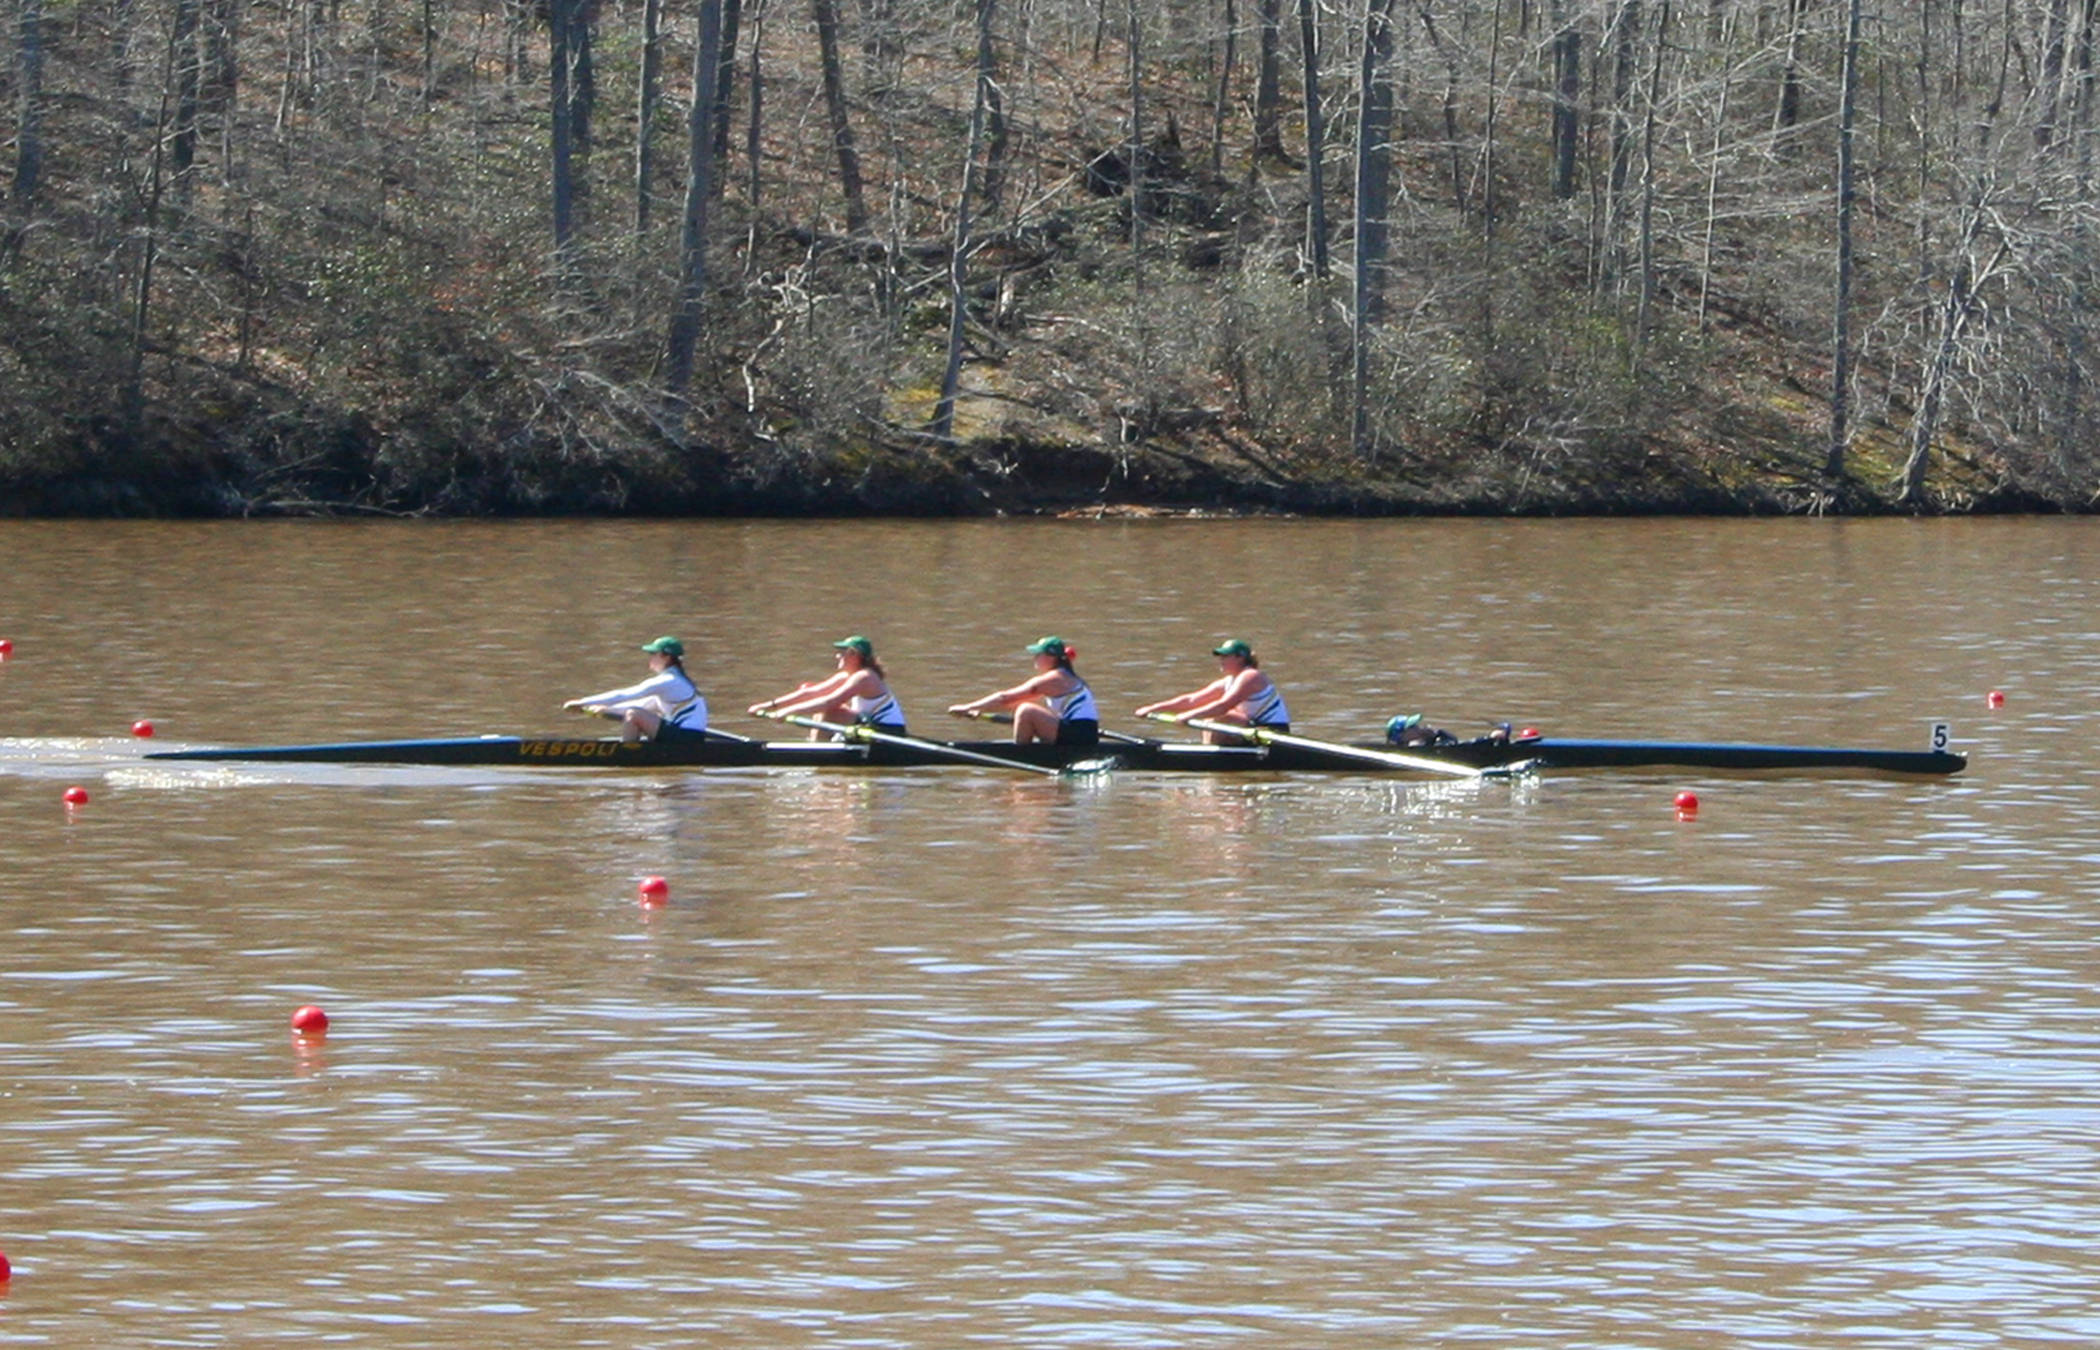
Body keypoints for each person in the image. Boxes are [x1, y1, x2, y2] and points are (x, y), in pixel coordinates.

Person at [946, 636, 1100, 746]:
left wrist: (967, 707)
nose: (1034, 657)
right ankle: (1028, 749)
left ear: (1051, 657)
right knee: (1023, 709)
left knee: (1026, 710)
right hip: (1082, 734)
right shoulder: (1065, 676)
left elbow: (1005, 698)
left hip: (1079, 738)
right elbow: (1009, 705)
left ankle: (1021, 753)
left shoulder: (1055, 679)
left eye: (1038, 654)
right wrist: (979, 712)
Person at [1134, 638, 1290, 744]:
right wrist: (1153, 708)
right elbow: (1191, 700)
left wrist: (1189, 715)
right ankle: (1209, 750)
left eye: (1225, 656)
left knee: (1218, 716)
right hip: (1254, 730)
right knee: (1211, 715)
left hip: (1273, 734)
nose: (1221, 660)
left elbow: (1223, 706)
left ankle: (1208, 755)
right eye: (1220, 656)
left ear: (1240, 658)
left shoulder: (1251, 676)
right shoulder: (1229, 680)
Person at [748, 635, 908, 738]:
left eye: (843, 652)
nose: (838, 656)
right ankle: (817, 746)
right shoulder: (849, 675)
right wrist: (769, 705)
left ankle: (815, 753)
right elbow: (812, 692)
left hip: (888, 732)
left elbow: (830, 701)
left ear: (854, 655)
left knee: (829, 710)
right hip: (869, 727)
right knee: (821, 706)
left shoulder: (865, 677)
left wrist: (789, 711)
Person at [562, 636, 708, 743]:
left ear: (666, 657)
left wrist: (582, 702)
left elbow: (624, 694)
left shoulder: (669, 681)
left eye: (653, 654)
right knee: (635, 711)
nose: (650, 658)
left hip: (686, 737)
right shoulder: (674, 684)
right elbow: (641, 705)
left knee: (633, 714)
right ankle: (632, 747)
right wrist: (603, 709)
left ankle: (627, 752)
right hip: (686, 735)